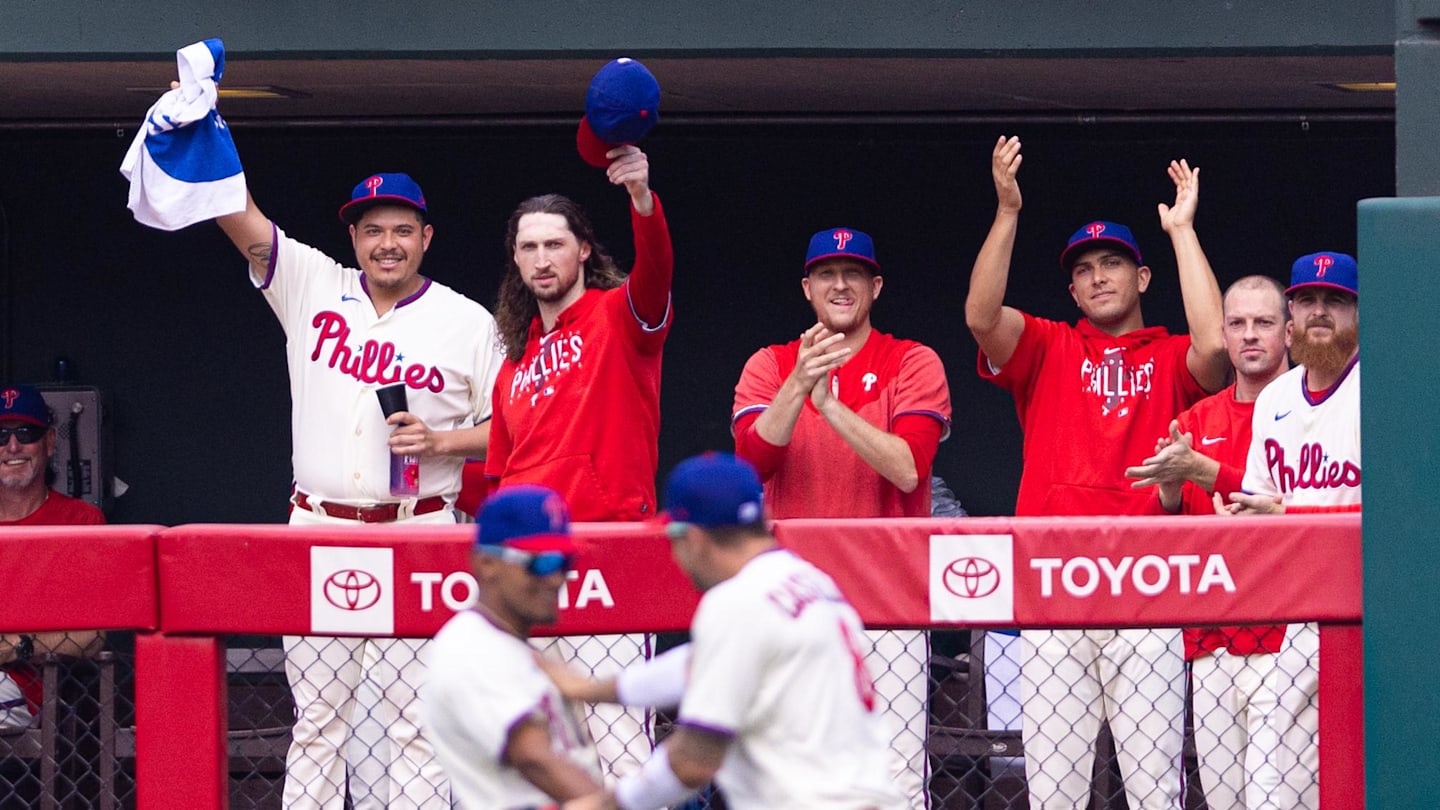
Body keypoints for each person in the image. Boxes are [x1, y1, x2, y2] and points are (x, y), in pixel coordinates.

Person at [211, 162, 502, 807]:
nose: (387, 243)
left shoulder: (468, 320)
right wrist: (209, 134)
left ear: (427, 237)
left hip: (421, 526)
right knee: (318, 722)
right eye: (372, 230)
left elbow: (512, 429)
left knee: (417, 721)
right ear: (354, 239)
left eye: (402, 229)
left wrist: (441, 442)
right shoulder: (313, 284)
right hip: (320, 527)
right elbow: (244, 222)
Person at [965, 135, 1228, 810]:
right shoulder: (1051, 344)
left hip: (1145, 585)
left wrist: (1182, 232)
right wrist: (1007, 212)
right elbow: (981, 317)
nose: (1099, 276)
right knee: (1053, 793)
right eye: (1084, 269)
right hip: (1057, 588)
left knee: (1153, 794)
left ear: (1141, 278)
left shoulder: (1168, 355)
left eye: (1113, 263)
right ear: (1072, 287)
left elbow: (1214, 348)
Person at [731, 226, 951, 806]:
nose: (840, 284)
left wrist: (827, 405)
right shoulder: (770, 364)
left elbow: (908, 468)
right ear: (807, 288)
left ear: (874, 286)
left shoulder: (912, 359)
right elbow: (751, 464)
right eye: (827, 274)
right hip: (794, 603)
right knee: (789, 772)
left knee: (894, 775)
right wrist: (799, 385)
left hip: (891, 599)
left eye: (853, 273)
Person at [561, 452, 907, 810]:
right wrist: (585, 689)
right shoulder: (811, 580)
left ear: (693, 538)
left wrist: (598, 805)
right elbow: (699, 664)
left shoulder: (736, 601)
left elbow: (693, 760)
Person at [482, 144, 673, 781]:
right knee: (539, 747)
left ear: (584, 250)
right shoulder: (512, 362)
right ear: (515, 258)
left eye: (555, 244)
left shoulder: (619, 316)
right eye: (529, 247)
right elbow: (498, 481)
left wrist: (642, 199)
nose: (542, 258)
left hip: (605, 554)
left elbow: (657, 272)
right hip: (525, 571)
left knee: (617, 742)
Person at [1123, 275, 1297, 807]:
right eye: (1238, 323)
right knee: (1224, 800)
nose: (1250, 335)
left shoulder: (1308, 410)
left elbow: (1299, 510)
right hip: (1211, 640)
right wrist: (1172, 492)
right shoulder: (1196, 420)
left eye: (1264, 323)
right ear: (1222, 331)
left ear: (1289, 333)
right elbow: (1159, 543)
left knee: (1280, 798)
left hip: (1286, 642)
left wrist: (1208, 471)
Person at [1210, 251, 1363, 809]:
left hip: (1373, 609)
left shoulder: (1381, 389)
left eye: (1337, 301)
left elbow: (1397, 521)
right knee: (1275, 786)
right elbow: (1261, 501)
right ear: (1292, 316)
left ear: (1358, 314)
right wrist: (1243, 523)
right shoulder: (1275, 398)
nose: (1320, 311)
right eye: (1308, 300)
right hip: (1299, 617)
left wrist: (1282, 517)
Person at [423, 485, 603, 809]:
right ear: (487, 564)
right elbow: (536, 758)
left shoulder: (509, 643)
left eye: (563, 562)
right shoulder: (473, 649)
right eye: (540, 563)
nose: (556, 578)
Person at [1, 383, 106, 730]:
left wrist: (18, 645)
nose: (12, 447)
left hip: (32, 689)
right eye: (1, 435)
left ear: (48, 442)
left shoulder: (81, 521)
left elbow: (93, 635)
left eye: (26, 433)